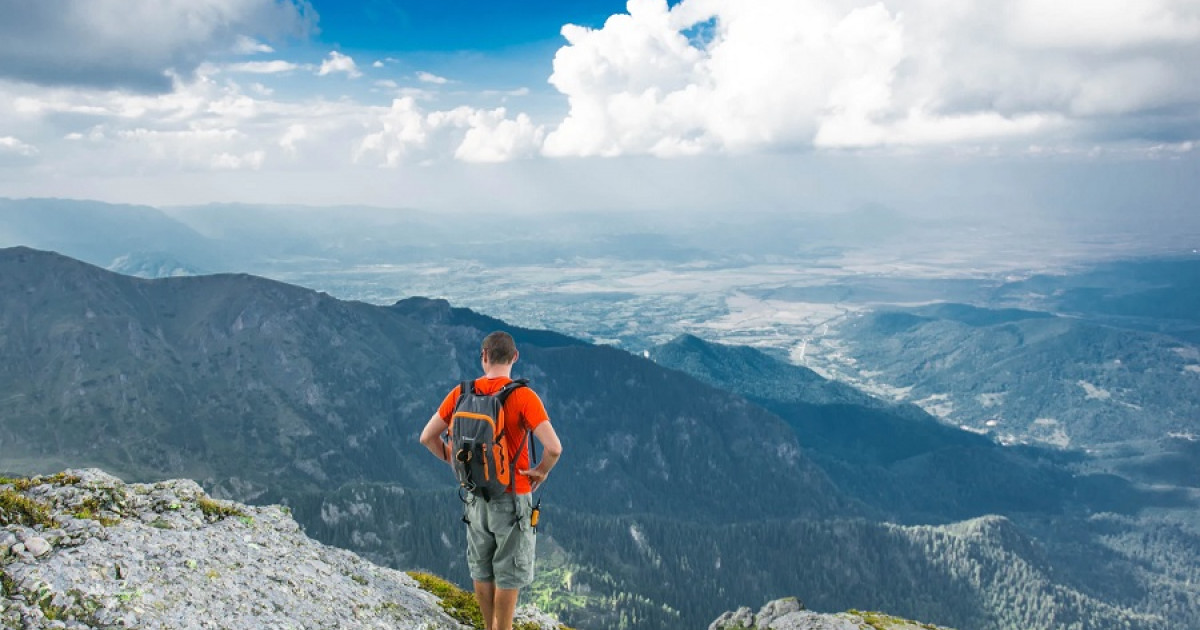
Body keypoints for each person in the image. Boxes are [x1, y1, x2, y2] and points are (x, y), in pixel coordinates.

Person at [419, 331, 563, 630]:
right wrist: (541, 470)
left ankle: (489, 627)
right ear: (515, 357)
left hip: (474, 495)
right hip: (512, 495)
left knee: (482, 568)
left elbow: (427, 437)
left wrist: (456, 463)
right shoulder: (523, 396)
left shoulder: (461, 393)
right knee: (509, 570)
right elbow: (554, 448)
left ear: (483, 356)